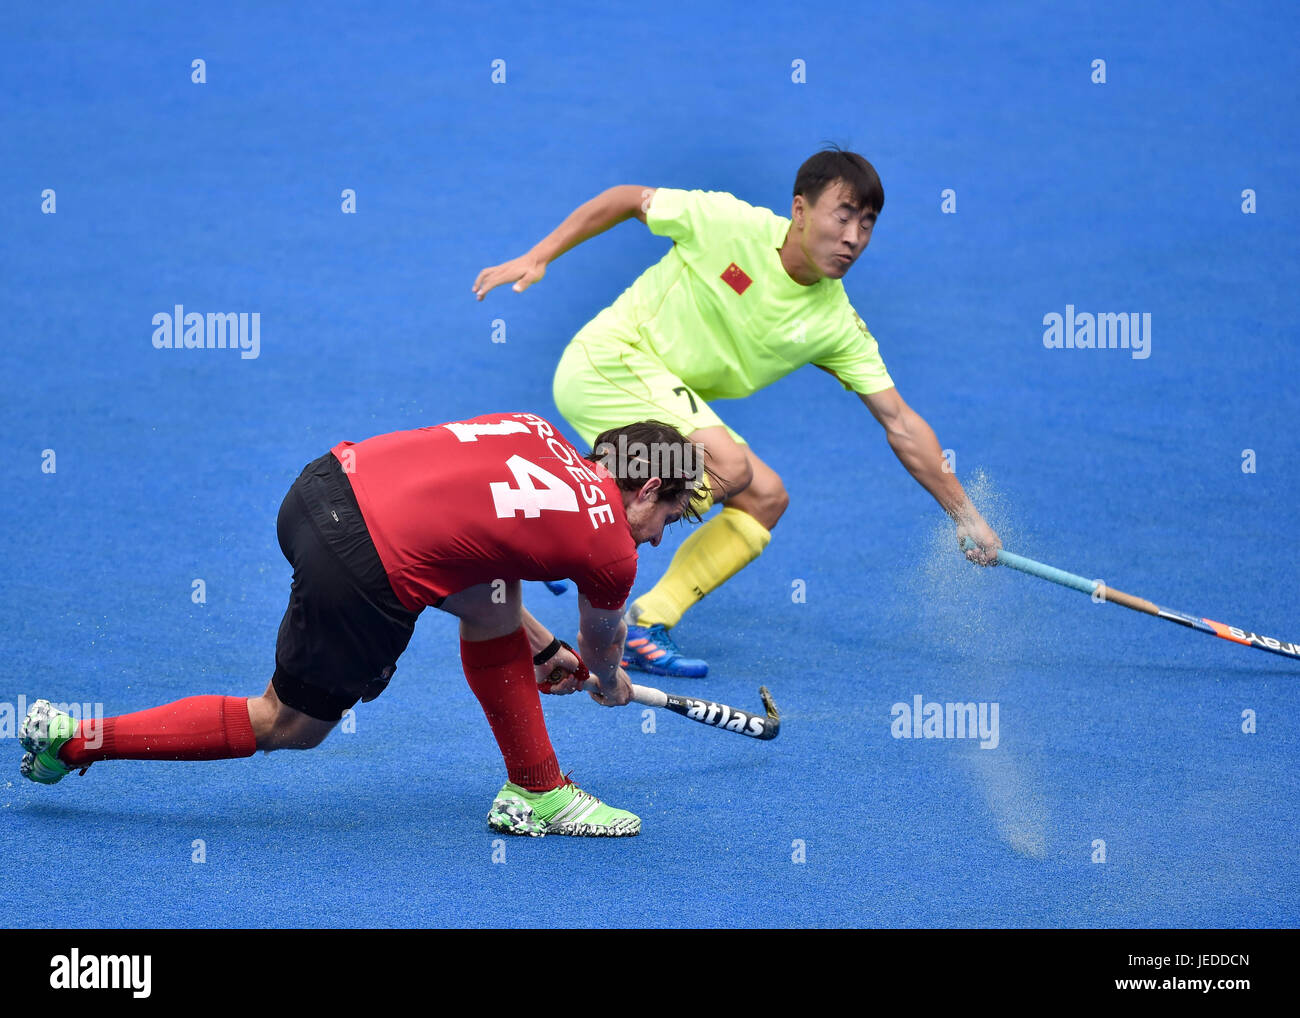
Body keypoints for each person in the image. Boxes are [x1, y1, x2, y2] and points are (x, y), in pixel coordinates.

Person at [19, 411, 706, 838]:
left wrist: (540, 645)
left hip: (319, 488)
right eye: (667, 521)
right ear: (647, 488)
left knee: (496, 601)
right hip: (361, 566)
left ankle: (536, 785)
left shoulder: (533, 431)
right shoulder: (609, 546)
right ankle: (74, 741)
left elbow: (462, 538)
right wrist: (608, 682)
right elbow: (604, 644)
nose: (652, 542)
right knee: (288, 724)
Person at [473, 147, 1002, 679]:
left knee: (765, 497)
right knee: (728, 463)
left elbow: (901, 423)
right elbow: (627, 200)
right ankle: (563, 534)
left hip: (657, 397)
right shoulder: (727, 224)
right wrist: (539, 255)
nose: (854, 238)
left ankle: (646, 621)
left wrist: (965, 515)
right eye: (843, 217)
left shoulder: (835, 323)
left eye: (867, 225)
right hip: (608, 362)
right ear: (800, 210)